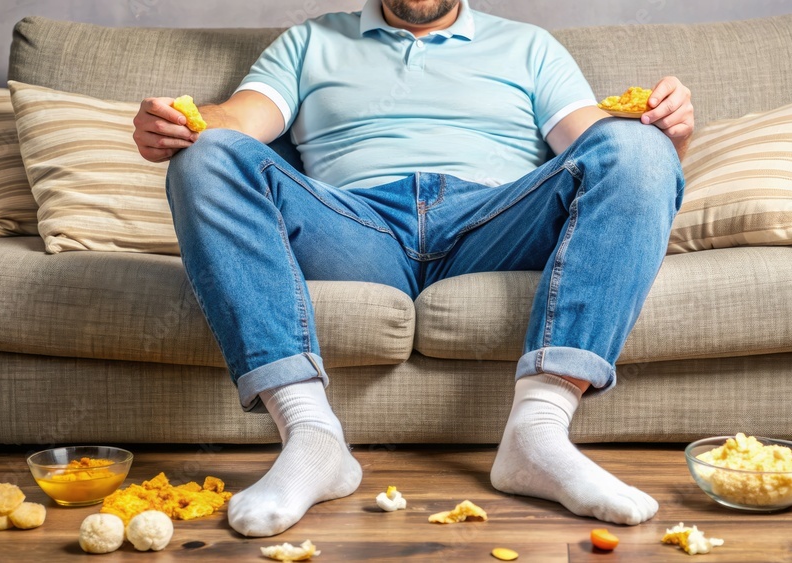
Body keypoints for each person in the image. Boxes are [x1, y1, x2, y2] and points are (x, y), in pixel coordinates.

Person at [133, 0, 693, 538]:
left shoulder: (530, 47)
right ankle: (309, 434)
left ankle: (538, 433)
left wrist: (663, 132)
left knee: (639, 148)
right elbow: (236, 120)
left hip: (492, 222)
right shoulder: (309, 40)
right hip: (354, 226)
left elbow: (599, 142)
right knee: (206, 153)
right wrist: (182, 124)